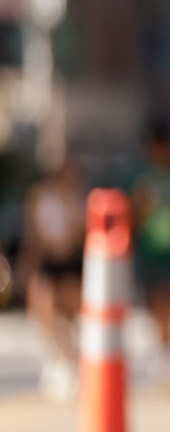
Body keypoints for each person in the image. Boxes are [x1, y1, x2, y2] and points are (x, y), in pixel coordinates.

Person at [20, 157, 87, 401]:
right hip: (49, 264)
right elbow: (35, 234)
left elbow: (80, 233)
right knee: (45, 310)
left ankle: (72, 361)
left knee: (72, 314)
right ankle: (59, 358)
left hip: (70, 262)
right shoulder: (40, 196)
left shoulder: (77, 199)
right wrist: (28, 266)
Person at [130, 120, 170, 355]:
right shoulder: (141, 178)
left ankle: (168, 345)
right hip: (150, 250)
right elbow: (133, 213)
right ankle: (164, 343)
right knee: (153, 300)